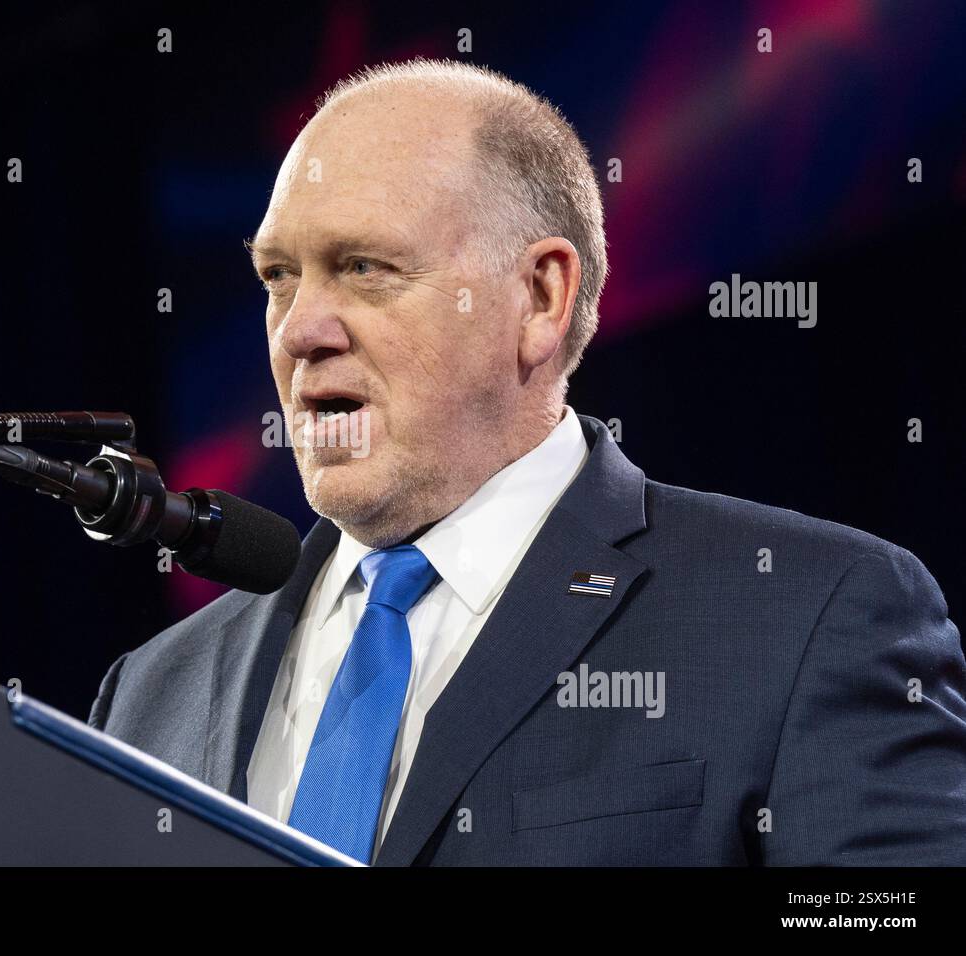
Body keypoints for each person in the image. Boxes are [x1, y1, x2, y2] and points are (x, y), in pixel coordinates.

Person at [89, 59, 966, 865]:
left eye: (364, 267)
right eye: (279, 276)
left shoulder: (805, 616)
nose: (300, 330)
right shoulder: (149, 694)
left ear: (540, 297)